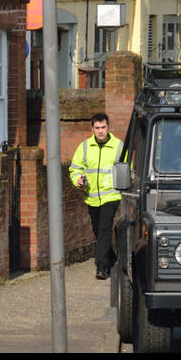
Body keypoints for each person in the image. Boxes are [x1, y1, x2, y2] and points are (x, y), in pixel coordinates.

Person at [69, 113, 126, 280]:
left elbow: (125, 168)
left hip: (111, 195)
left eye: (103, 127)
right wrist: (78, 180)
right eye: (97, 128)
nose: (101, 131)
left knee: (104, 229)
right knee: (97, 230)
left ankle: (101, 267)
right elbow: (75, 168)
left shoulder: (119, 146)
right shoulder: (85, 147)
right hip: (92, 196)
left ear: (108, 127)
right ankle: (113, 257)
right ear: (92, 129)